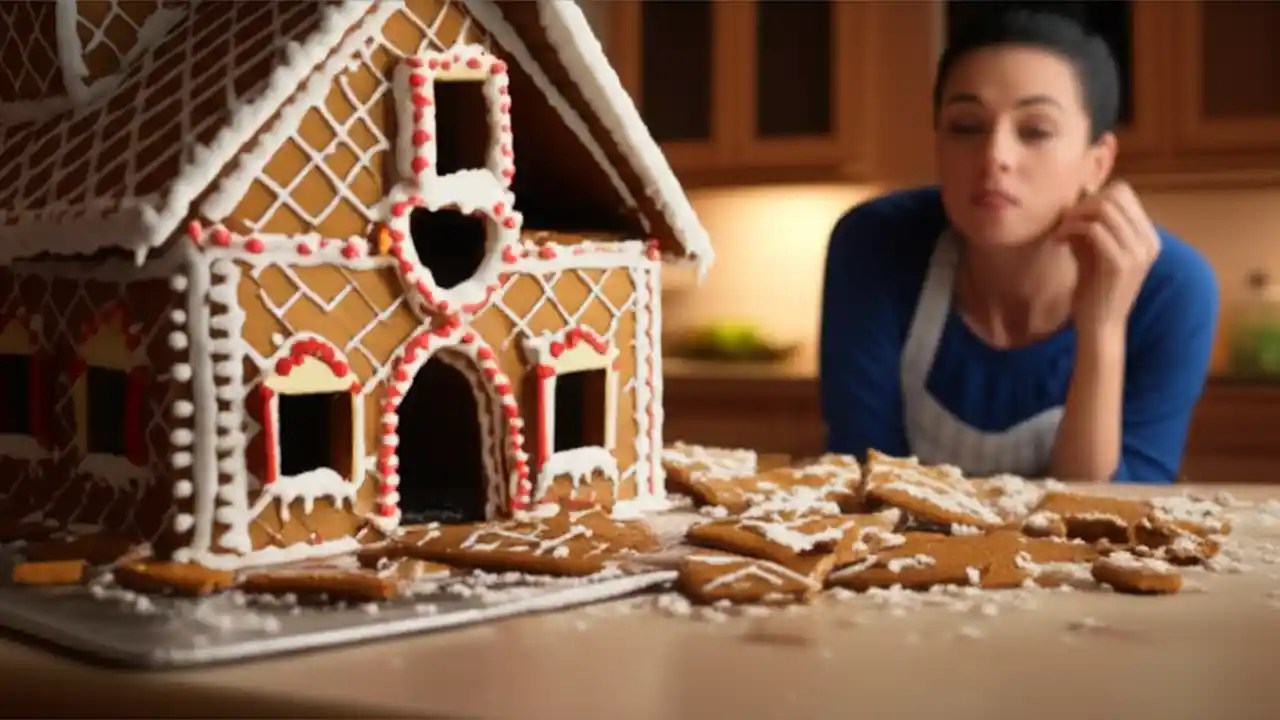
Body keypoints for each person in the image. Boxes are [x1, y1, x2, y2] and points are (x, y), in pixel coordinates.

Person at [818, 8, 1219, 484]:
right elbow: (864, 478)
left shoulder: (1171, 288)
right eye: (966, 126)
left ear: (1098, 161)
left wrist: (1102, 326)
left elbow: (1115, 515)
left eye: (1035, 131)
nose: (995, 157)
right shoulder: (874, 245)